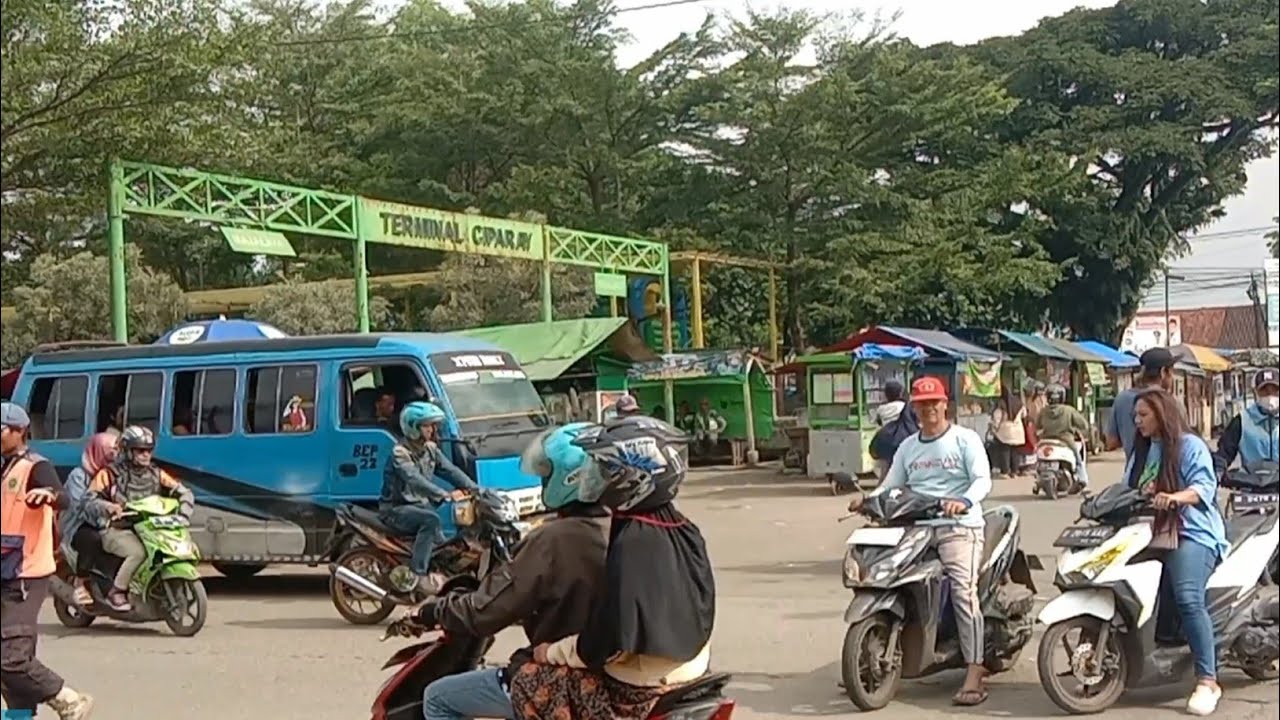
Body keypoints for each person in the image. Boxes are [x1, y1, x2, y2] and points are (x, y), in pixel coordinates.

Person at [508, 417, 716, 719]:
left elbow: (610, 638)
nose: (595, 477)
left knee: (526, 681)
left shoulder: (633, 540)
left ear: (631, 479)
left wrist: (552, 652)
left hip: (639, 686)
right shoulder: (682, 527)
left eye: (605, 470)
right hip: (692, 669)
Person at [416, 422, 610, 720]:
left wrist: (432, 611)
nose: (543, 482)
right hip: (612, 675)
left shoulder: (551, 540)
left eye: (547, 475)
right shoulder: (623, 529)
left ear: (569, 478)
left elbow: (486, 610)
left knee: (437, 698)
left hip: (565, 677)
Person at [849, 376, 992, 706]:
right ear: (913, 408)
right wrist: (867, 500)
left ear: (944, 405)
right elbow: (890, 486)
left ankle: (974, 670)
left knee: (963, 592)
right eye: (921, 404)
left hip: (958, 527)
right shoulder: (908, 447)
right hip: (915, 527)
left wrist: (964, 501)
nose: (928, 409)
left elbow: (982, 480)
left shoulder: (965, 440)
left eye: (933, 402)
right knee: (885, 577)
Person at [1126, 388, 1230, 716]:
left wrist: (1174, 497)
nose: (1137, 421)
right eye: (1135, 415)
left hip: (1191, 533)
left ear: (1162, 414)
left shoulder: (1189, 446)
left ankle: (1208, 680)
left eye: (1143, 415)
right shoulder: (1144, 450)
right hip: (1148, 533)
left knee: (1187, 597)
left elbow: (1204, 487)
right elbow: (1129, 488)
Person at [1, 402, 95, 719]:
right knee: (13, 656)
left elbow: (63, 497)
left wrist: (49, 496)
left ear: (19, 431)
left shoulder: (35, 467)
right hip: (5, 570)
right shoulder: (5, 466)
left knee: (10, 658)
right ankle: (19, 714)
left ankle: (67, 698)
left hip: (25, 574)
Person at [86, 425, 194, 612]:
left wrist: (183, 515)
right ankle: (117, 591)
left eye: (149, 451)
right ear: (128, 451)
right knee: (138, 553)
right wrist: (109, 507)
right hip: (118, 529)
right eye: (140, 451)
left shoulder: (157, 473)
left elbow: (185, 493)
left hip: (151, 528)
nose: (146, 455)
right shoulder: (109, 474)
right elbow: (88, 500)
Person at [379, 401, 477, 593]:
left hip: (420, 508)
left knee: (444, 548)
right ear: (413, 427)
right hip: (396, 510)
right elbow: (414, 479)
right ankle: (418, 576)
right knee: (430, 520)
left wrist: (476, 488)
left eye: (433, 425)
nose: (432, 430)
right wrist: (445, 494)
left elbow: (451, 471)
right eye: (427, 426)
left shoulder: (430, 449)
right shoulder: (400, 453)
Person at [60, 432, 119, 605]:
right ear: (98, 451)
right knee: (93, 539)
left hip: (105, 522)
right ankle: (81, 581)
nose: (115, 456)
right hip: (77, 525)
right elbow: (79, 507)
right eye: (110, 452)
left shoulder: (112, 475)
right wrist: (105, 513)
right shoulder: (79, 476)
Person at [1106, 347, 1177, 458]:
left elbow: (1111, 442)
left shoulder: (1122, 399)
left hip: (1134, 467)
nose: (1172, 378)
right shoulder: (1170, 403)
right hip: (1165, 468)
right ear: (1163, 372)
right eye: (1171, 372)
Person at [1213, 368, 1279, 474]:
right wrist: (1218, 472)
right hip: (1251, 481)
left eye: (1275, 391)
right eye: (1264, 391)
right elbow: (1224, 454)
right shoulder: (1242, 421)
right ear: (1256, 392)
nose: (1270, 396)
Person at [1036, 383, 1092, 488]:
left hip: (1046, 440)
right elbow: (1083, 424)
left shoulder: (1043, 411)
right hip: (1066, 440)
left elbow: (1037, 425)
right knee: (1078, 459)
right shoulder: (1068, 410)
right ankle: (1082, 479)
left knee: (1037, 458)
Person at [990, 385, 1027, 478]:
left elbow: (997, 419)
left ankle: (1005, 472)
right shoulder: (1018, 403)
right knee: (1015, 452)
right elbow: (1024, 414)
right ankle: (1015, 471)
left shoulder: (1001, 404)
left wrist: (994, 428)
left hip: (1005, 431)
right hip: (1017, 430)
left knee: (1005, 451)